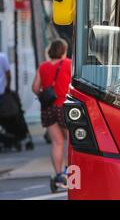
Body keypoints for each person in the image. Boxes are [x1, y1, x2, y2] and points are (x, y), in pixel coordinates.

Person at [32, 39, 71, 189]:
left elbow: (35, 87)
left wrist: (45, 93)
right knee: (71, 141)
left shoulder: (43, 66)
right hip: (64, 107)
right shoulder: (69, 64)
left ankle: (59, 174)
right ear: (64, 50)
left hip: (48, 108)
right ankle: (69, 171)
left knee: (57, 142)